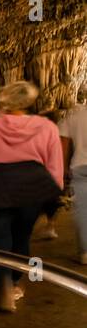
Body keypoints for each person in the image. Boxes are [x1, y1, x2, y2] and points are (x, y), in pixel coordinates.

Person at [0, 80, 64, 312]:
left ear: (4, 102)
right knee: (22, 236)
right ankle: (17, 282)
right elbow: (54, 167)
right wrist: (51, 197)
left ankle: (5, 287)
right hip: (33, 186)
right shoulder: (46, 127)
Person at [57, 94, 87, 265]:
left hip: (80, 166)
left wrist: (63, 167)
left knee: (83, 210)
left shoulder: (75, 116)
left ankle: (85, 251)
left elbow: (64, 142)